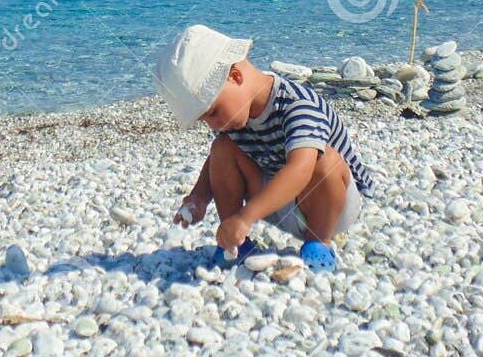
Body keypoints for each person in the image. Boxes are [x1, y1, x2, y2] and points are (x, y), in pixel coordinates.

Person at [153, 23, 373, 271]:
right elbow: (216, 161)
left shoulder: (298, 105)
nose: (212, 123)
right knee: (223, 147)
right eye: (204, 118)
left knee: (325, 160)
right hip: (276, 202)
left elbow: (300, 170)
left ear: (235, 76)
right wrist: (199, 197)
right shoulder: (232, 117)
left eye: (212, 112)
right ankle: (237, 243)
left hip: (330, 206)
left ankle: (319, 242)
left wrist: (246, 217)